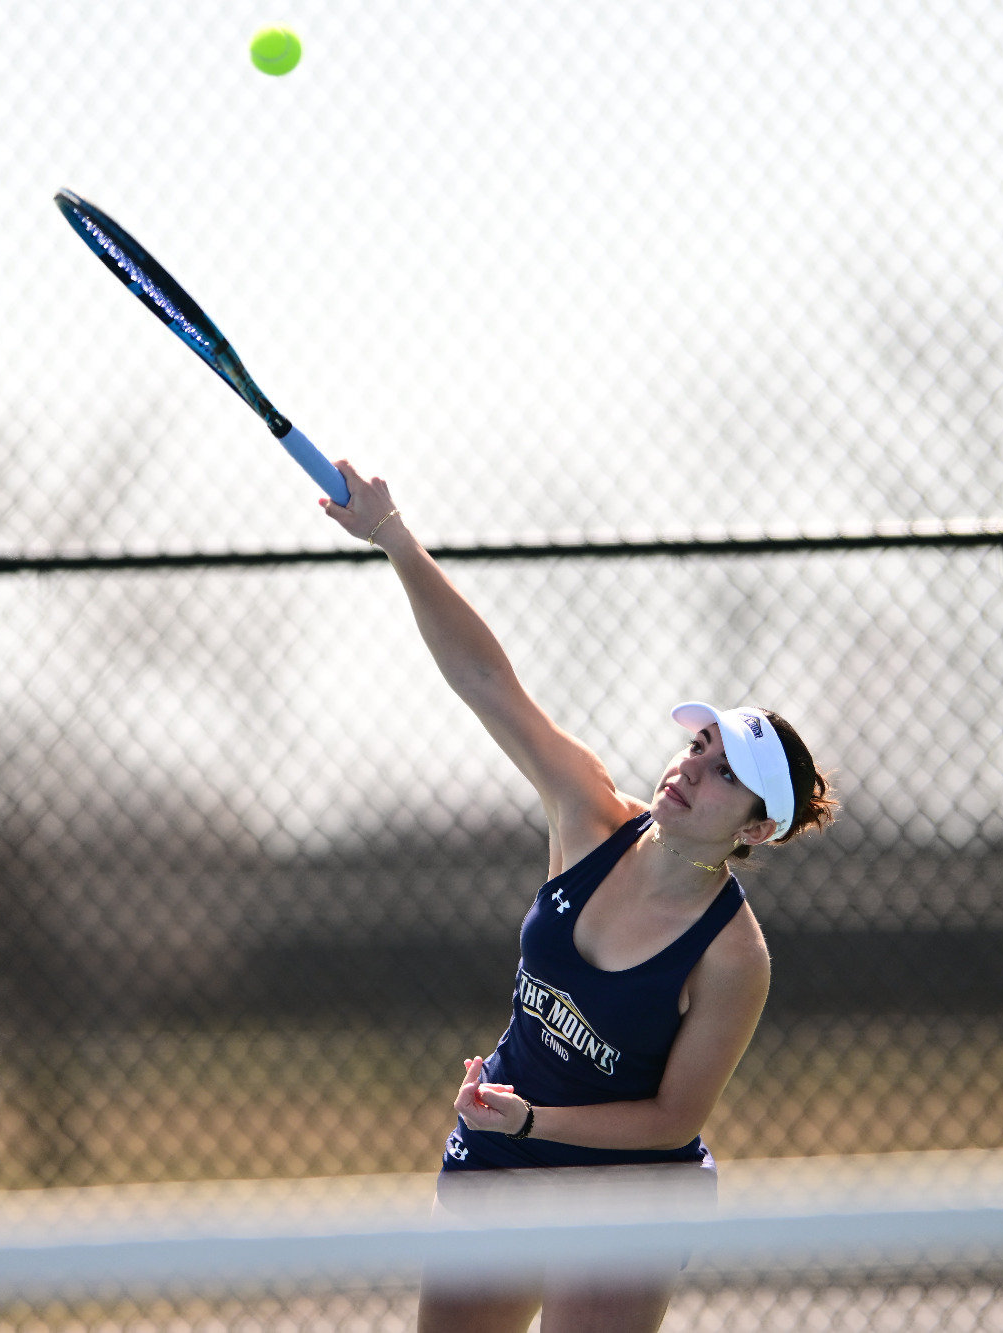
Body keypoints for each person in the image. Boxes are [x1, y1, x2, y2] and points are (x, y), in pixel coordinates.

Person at [321, 462, 837, 1333]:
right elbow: (489, 683)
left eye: (724, 775)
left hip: (629, 1187)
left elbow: (673, 1117)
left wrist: (534, 1121)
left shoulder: (734, 957)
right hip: (503, 1145)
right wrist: (394, 536)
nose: (690, 769)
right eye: (699, 745)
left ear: (753, 830)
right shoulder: (591, 812)